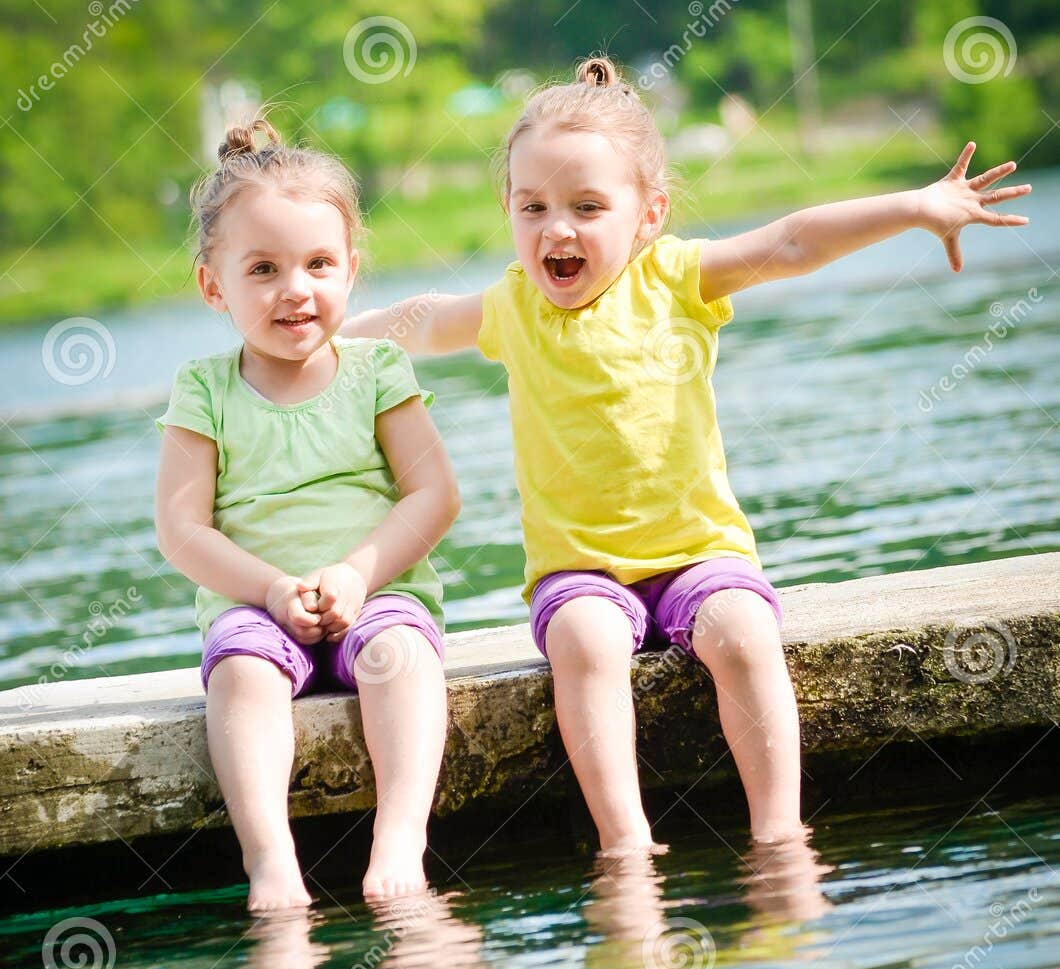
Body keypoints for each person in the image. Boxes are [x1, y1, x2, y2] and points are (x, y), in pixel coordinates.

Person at [342, 57, 1031, 855]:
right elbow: (424, 320)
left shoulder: (676, 279)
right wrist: (323, 332)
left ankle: (779, 835)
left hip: (700, 553)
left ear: (648, 215)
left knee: (741, 630)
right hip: (582, 568)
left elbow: (795, 240)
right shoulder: (513, 306)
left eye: (587, 207)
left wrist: (916, 206)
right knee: (586, 643)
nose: (555, 229)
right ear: (507, 209)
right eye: (532, 207)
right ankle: (625, 843)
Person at [155, 120, 459, 911]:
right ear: (214, 287)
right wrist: (269, 592)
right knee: (244, 674)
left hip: (376, 595)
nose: (296, 289)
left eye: (319, 264)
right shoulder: (205, 389)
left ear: (351, 271)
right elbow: (183, 530)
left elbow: (435, 495)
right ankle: (271, 858)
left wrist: (358, 574)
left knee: (400, 655)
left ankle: (399, 839)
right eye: (263, 269)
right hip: (258, 607)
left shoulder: (377, 370)